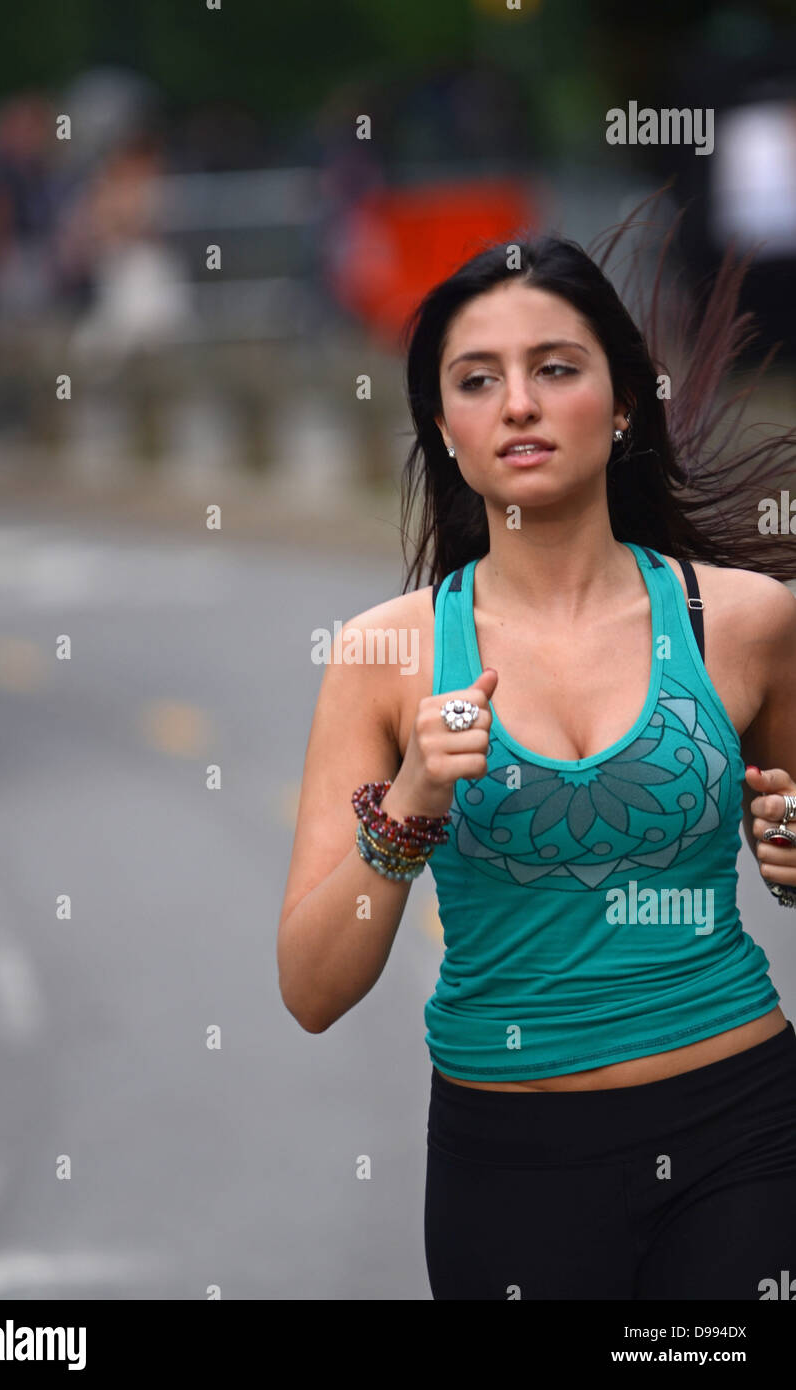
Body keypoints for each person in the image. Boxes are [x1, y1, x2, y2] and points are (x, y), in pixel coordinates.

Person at [276, 192, 796, 1300]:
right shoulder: (386, 654)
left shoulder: (745, 621)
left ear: (621, 407)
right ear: (444, 430)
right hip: (509, 1166)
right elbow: (312, 988)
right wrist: (412, 800)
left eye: (557, 367)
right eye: (477, 380)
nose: (519, 402)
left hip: (742, 1131)